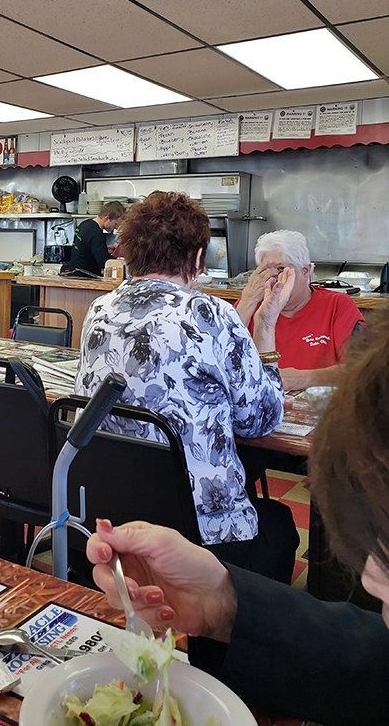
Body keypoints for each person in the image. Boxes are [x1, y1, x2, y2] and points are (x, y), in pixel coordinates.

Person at [86, 311, 389, 726]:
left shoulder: (102, 311)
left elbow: (264, 417)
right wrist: (220, 601)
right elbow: (374, 661)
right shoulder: (214, 316)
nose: (370, 578)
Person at [76, 191, 298, 583]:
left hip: (116, 511)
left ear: (130, 252)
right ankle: (230, 634)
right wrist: (265, 327)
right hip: (198, 527)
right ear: (197, 259)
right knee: (280, 523)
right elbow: (260, 420)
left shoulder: (100, 308)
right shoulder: (209, 312)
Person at [236, 230, 364, 390]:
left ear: (306, 271)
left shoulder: (338, 305)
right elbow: (218, 359)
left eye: (281, 268)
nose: (273, 277)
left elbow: (361, 369)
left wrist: (305, 378)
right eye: (265, 270)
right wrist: (247, 301)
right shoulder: (250, 304)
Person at [65, 200, 126, 275]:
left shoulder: (85, 224)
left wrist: (104, 249)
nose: (115, 228)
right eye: (115, 224)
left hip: (75, 273)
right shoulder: (97, 234)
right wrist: (122, 261)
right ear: (107, 218)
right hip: (86, 278)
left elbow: (86, 249)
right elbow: (104, 262)